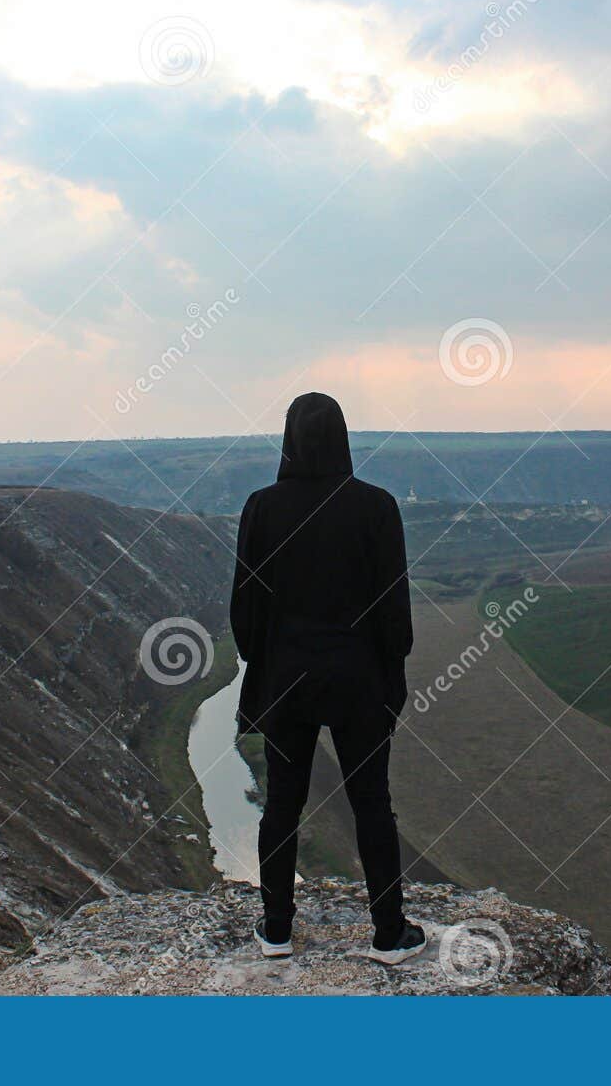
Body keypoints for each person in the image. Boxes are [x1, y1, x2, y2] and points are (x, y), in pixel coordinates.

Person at [229, 392, 425, 964]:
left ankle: (277, 931)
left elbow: (246, 609)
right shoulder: (376, 507)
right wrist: (391, 670)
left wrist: (262, 663)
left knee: (282, 804)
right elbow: (395, 610)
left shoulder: (262, 508)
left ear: (289, 438)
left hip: (287, 680)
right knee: (372, 804)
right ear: (342, 436)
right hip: (360, 681)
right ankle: (389, 933)